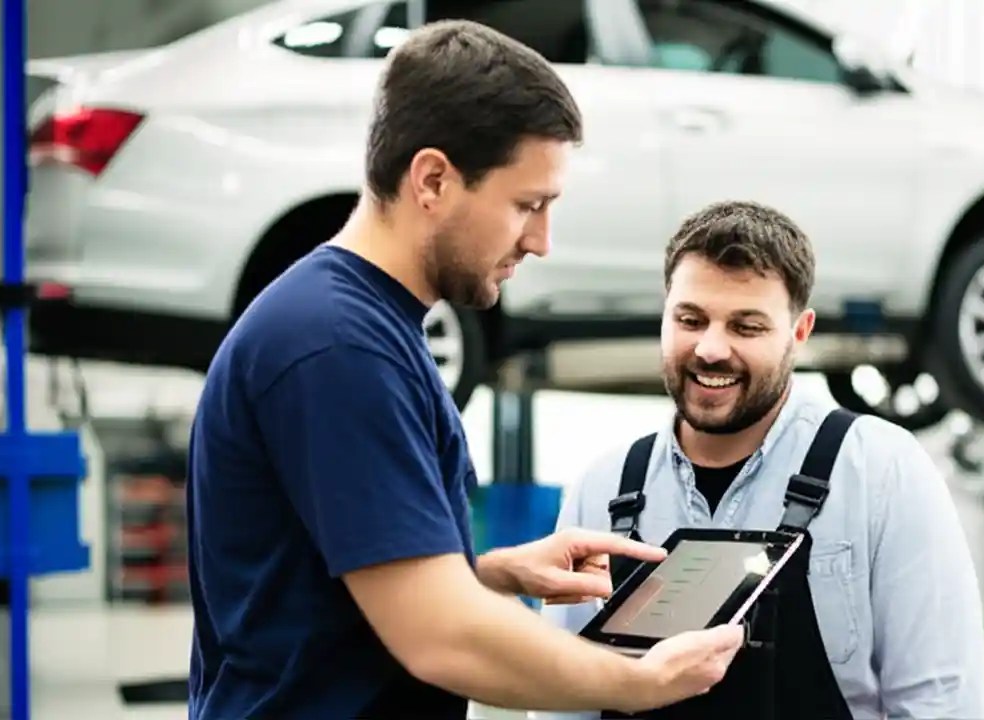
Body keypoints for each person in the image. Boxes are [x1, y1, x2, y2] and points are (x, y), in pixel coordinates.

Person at [184, 20, 743, 720]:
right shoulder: (337, 348)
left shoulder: (372, 328)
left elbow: (336, 583)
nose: (541, 240)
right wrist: (640, 683)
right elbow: (441, 639)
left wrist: (489, 573)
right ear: (434, 180)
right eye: (527, 205)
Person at [537, 201, 984, 719]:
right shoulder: (603, 488)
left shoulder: (881, 470)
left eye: (745, 327)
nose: (710, 348)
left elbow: (939, 704)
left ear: (799, 332)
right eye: (690, 319)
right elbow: (563, 703)